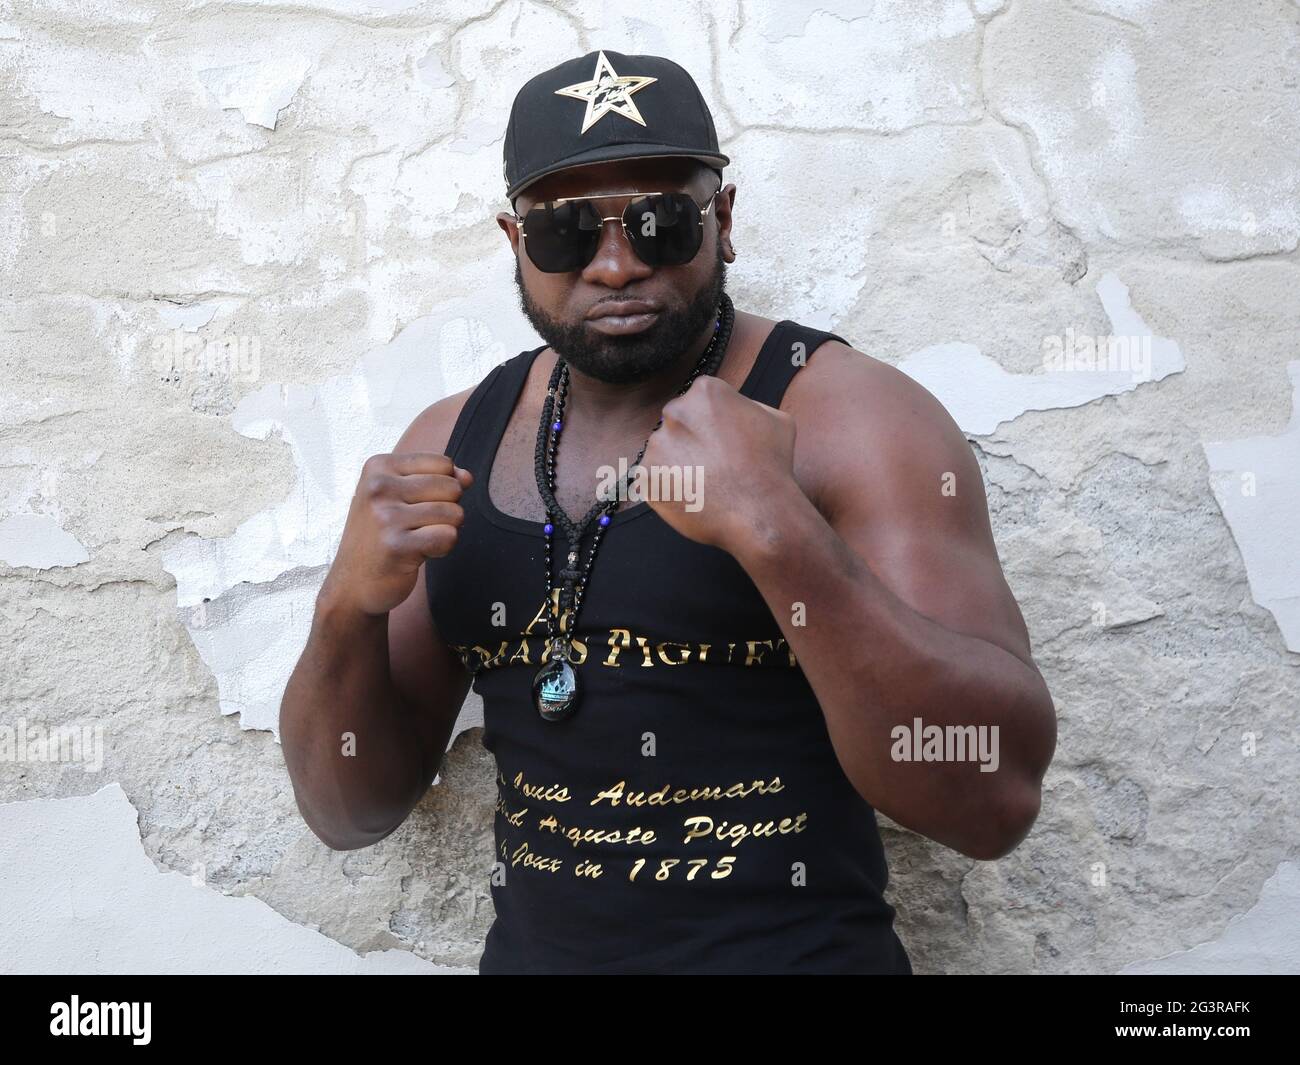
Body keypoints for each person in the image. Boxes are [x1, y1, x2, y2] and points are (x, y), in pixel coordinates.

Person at [279, 49, 1057, 975]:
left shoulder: (850, 419)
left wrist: (779, 533)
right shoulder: (451, 443)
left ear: (722, 221)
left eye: (659, 222)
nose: (614, 265)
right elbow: (349, 811)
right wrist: (343, 611)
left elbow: (992, 798)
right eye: (564, 232)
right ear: (514, 243)